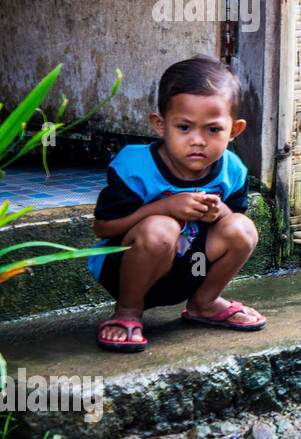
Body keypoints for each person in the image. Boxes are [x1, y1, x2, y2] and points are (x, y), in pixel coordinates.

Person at [89, 56, 265, 352]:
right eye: (184, 127)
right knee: (160, 228)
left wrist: (219, 213)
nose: (198, 140)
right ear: (160, 124)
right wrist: (165, 208)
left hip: (191, 270)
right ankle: (128, 312)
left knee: (242, 228)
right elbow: (102, 227)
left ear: (234, 130)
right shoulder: (135, 166)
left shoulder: (232, 170)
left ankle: (205, 303)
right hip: (129, 270)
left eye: (213, 130)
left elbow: (232, 220)